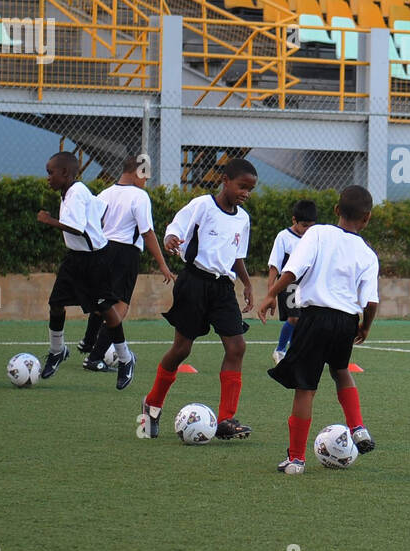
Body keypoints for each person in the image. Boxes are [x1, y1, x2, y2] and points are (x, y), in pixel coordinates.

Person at [257, 186, 379, 474]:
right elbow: (371, 301)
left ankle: (296, 459)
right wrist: (365, 326)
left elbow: (292, 271)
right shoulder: (368, 253)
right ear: (368, 218)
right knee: (341, 371)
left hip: (314, 318)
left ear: (336, 210)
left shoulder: (317, 233)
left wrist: (270, 295)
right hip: (346, 321)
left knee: (305, 388)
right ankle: (357, 426)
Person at [136, 158, 258, 441]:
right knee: (182, 349)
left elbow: (237, 255)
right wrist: (171, 239)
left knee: (237, 346)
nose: (245, 194)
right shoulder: (202, 206)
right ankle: (152, 403)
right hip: (193, 283)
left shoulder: (243, 219)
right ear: (225, 181)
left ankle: (226, 418)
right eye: (242, 186)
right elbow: (176, 228)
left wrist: (248, 284)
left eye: (250, 190)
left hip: (223, 289)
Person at [37, 151, 136, 389]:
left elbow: (77, 228)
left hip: (95, 261)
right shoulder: (71, 192)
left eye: (51, 173)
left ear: (65, 173)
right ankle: (57, 350)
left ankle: (125, 358)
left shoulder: (76, 192)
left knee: (105, 308)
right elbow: (100, 208)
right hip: (75, 259)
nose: (48, 178)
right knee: (56, 303)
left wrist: (49, 220)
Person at [78, 156, 175, 372]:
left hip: (102, 249)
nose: (146, 181)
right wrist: (162, 264)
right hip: (125, 254)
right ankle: (94, 358)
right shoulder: (139, 196)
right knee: (120, 307)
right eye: (145, 176)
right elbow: (147, 233)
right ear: (136, 172)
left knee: (102, 301)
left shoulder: (104, 194)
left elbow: (91, 224)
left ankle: (87, 341)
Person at [266, 199, 318, 364]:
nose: (307, 230)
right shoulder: (284, 237)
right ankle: (280, 350)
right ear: (294, 220)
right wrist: (271, 292)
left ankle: (295, 354)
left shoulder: (315, 237)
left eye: (311, 226)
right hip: (289, 285)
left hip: (307, 285)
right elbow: (274, 265)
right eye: (304, 225)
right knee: (295, 318)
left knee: (305, 321)